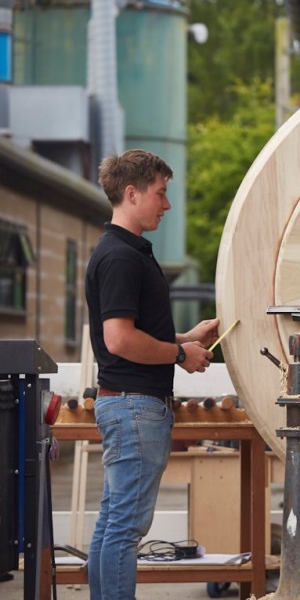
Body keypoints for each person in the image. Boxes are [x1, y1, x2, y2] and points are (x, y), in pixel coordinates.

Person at [84, 149, 219, 600]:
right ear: (131, 192)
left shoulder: (122, 252)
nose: (166, 204)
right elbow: (120, 339)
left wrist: (185, 337)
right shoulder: (122, 257)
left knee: (114, 521)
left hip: (125, 403)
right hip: (135, 406)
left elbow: (134, 332)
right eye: (160, 194)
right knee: (125, 527)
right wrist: (180, 356)